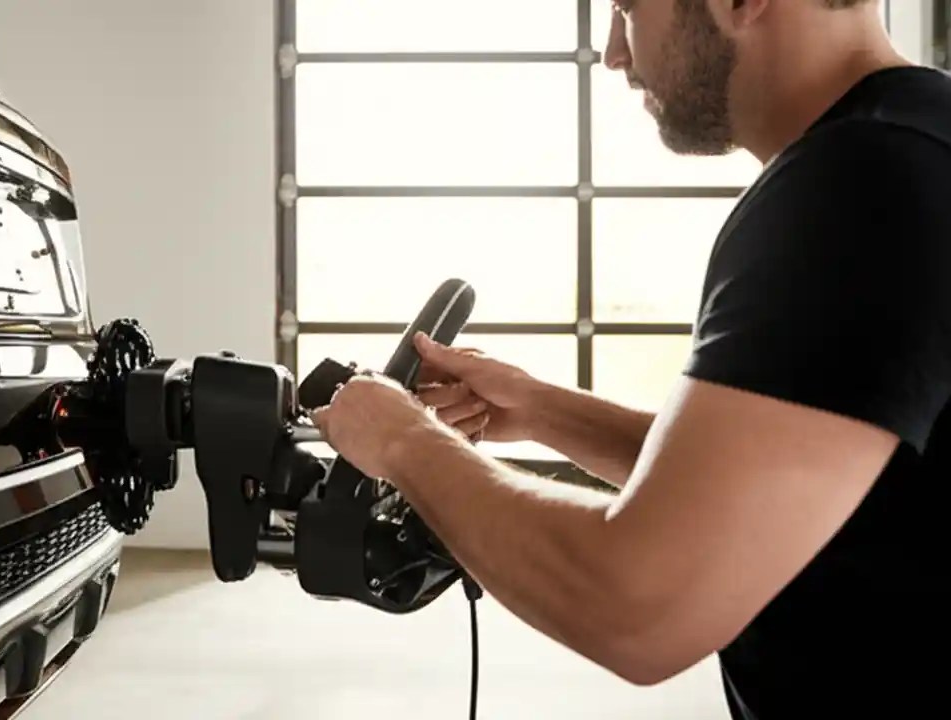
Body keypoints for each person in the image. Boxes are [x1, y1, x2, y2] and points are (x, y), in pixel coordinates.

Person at [309, 1, 951, 718]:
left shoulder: (854, 188)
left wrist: (401, 441)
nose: (613, 53)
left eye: (626, 9)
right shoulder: (917, 142)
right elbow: (787, 488)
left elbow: (639, 607)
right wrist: (543, 409)